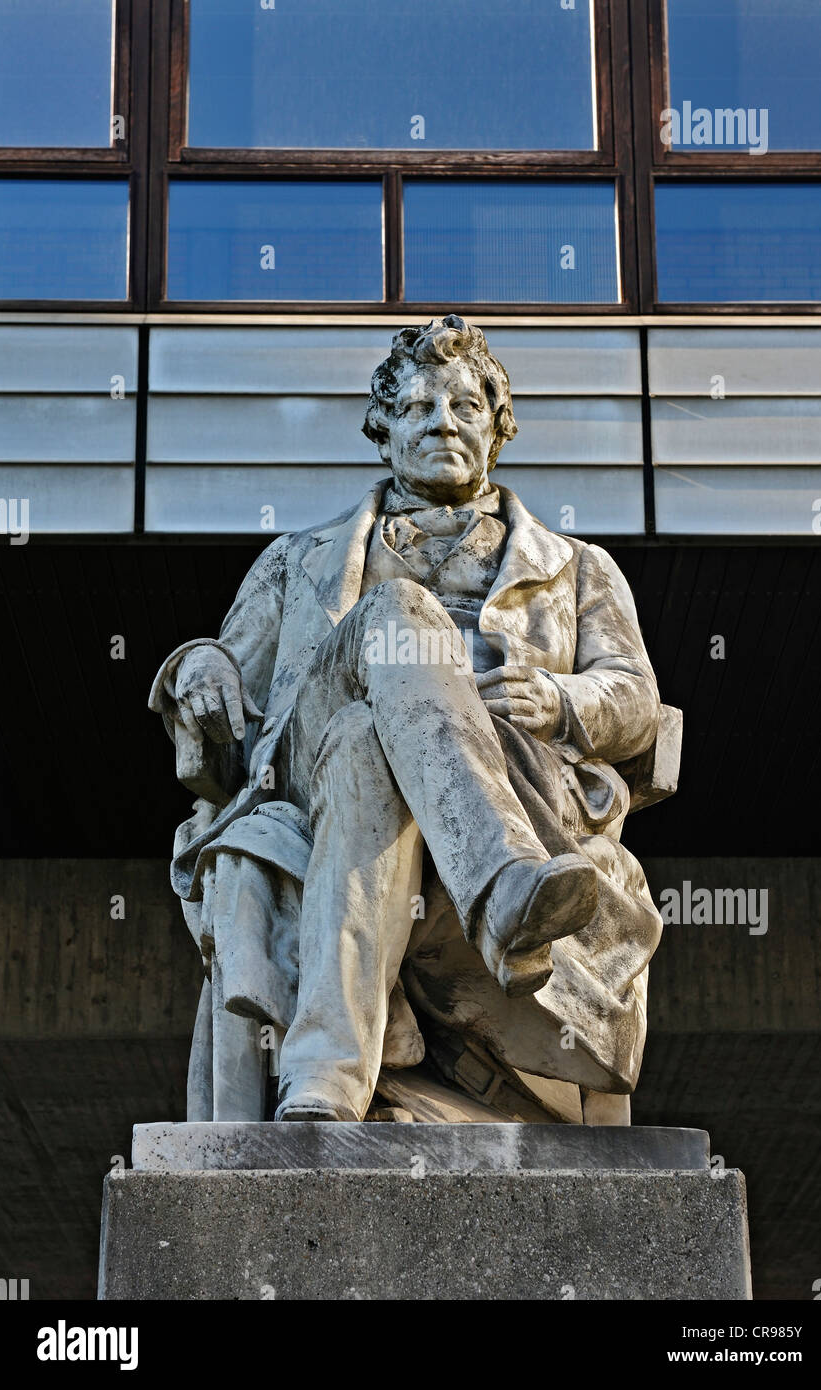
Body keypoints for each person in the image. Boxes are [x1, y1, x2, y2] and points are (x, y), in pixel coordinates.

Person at [150, 316, 666, 1123]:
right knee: (396, 614)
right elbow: (226, 675)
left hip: (502, 774)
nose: (442, 424)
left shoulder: (577, 567)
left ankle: (325, 1074)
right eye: (421, 408)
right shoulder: (298, 558)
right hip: (306, 772)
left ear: (497, 431)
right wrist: (198, 663)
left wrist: (563, 700)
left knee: (370, 744)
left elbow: (633, 699)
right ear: (382, 430)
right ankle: (501, 887)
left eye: (465, 407)